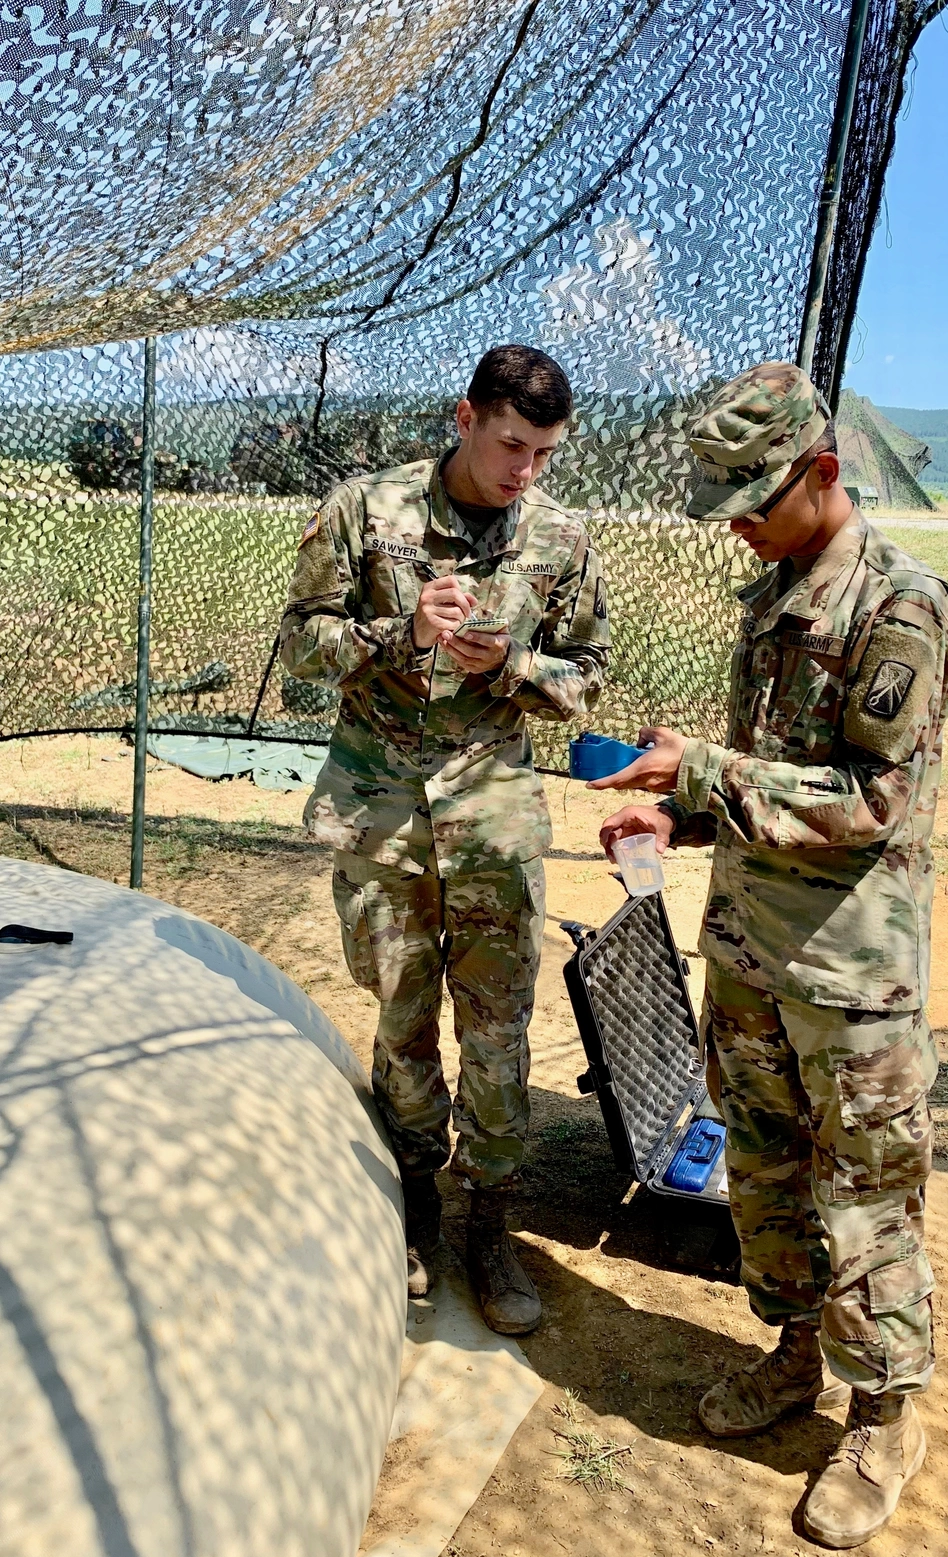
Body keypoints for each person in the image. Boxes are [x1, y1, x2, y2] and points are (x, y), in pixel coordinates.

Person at [591, 362, 948, 1548]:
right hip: (752, 956)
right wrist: (678, 816)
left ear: (823, 471)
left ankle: (885, 1416)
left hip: (849, 983)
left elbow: (869, 804)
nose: (740, 528)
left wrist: (699, 772)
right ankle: (793, 1353)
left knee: (865, 1201)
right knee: (762, 1176)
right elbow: (771, 777)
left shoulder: (900, 609)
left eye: (756, 501)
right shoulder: (774, 595)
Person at [280, 345, 609, 1335]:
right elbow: (300, 645)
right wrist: (401, 637)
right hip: (380, 811)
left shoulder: (559, 537)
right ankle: (419, 1210)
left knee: (499, 1031)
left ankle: (489, 1223)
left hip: (491, 814)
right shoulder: (366, 511)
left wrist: (511, 663)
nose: (525, 472)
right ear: (463, 417)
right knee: (402, 1016)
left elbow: (585, 678)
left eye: (545, 453)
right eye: (511, 444)